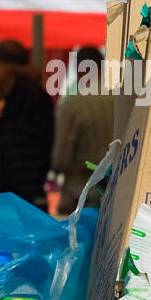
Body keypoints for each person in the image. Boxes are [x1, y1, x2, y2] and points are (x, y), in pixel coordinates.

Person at [52, 46, 115, 215]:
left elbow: (60, 159)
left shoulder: (72, 105)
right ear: (101, 67)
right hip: (114, 189)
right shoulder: (118, 99)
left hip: (80, 192)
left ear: (78, 70)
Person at [0, 62, 54, 206]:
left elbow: (10, 143)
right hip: (35, 184)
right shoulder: (37, 95)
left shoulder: (20, 101)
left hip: (19, 188)